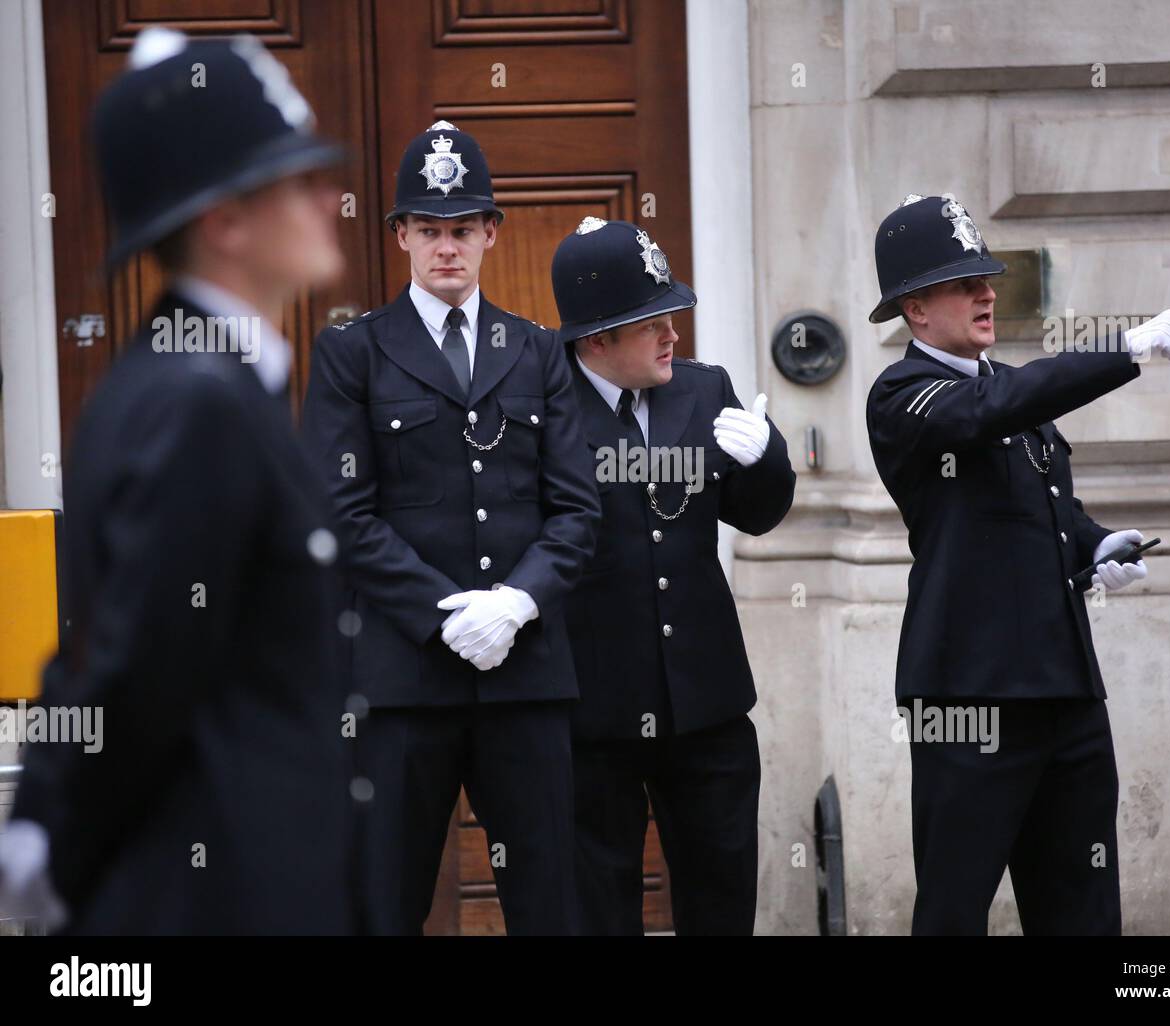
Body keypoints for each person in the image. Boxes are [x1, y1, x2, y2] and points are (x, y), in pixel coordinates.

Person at [0, 27, 355, 934]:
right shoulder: (200, 404)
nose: (329, 197)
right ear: (224, 220)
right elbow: (133, 674)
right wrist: (55, 846)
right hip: (213, 900)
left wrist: (45, 827)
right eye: (296, 178)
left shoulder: (184, 381)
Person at [865, 193, 1170, 935]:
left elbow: (1050, 510)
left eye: (986, 278)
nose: (987, 292)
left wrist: (1099, 547)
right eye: (965, 284)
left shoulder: (1007, 388)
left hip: (1064, 688)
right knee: (956, 908)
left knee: (1083, 909)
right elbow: (989, 414)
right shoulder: (904, 395)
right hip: (969, 698)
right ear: (916, 309)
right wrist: (1126, 347)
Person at [301, 122, 600, 935]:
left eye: (462, 229)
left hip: (525, 673)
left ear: (490, 234)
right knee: (387, 899)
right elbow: (340, 512)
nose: (446, 248)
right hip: (403, 678)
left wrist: (514, 605)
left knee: (549, 903)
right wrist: (447, 614)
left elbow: (577, 508)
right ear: (400, 235)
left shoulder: (538, 352)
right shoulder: (352, 354)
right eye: (429, 230)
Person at [550, 217, 796, 934]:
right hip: (592, 710)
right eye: (651, 322)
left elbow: (756, 515)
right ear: (596, 339)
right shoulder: (541, 409)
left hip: (706, 704)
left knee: (719, 895)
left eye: (671, 317)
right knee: (600, 903)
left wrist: (767, 459)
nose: (671, 336)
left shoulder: (703, 389)